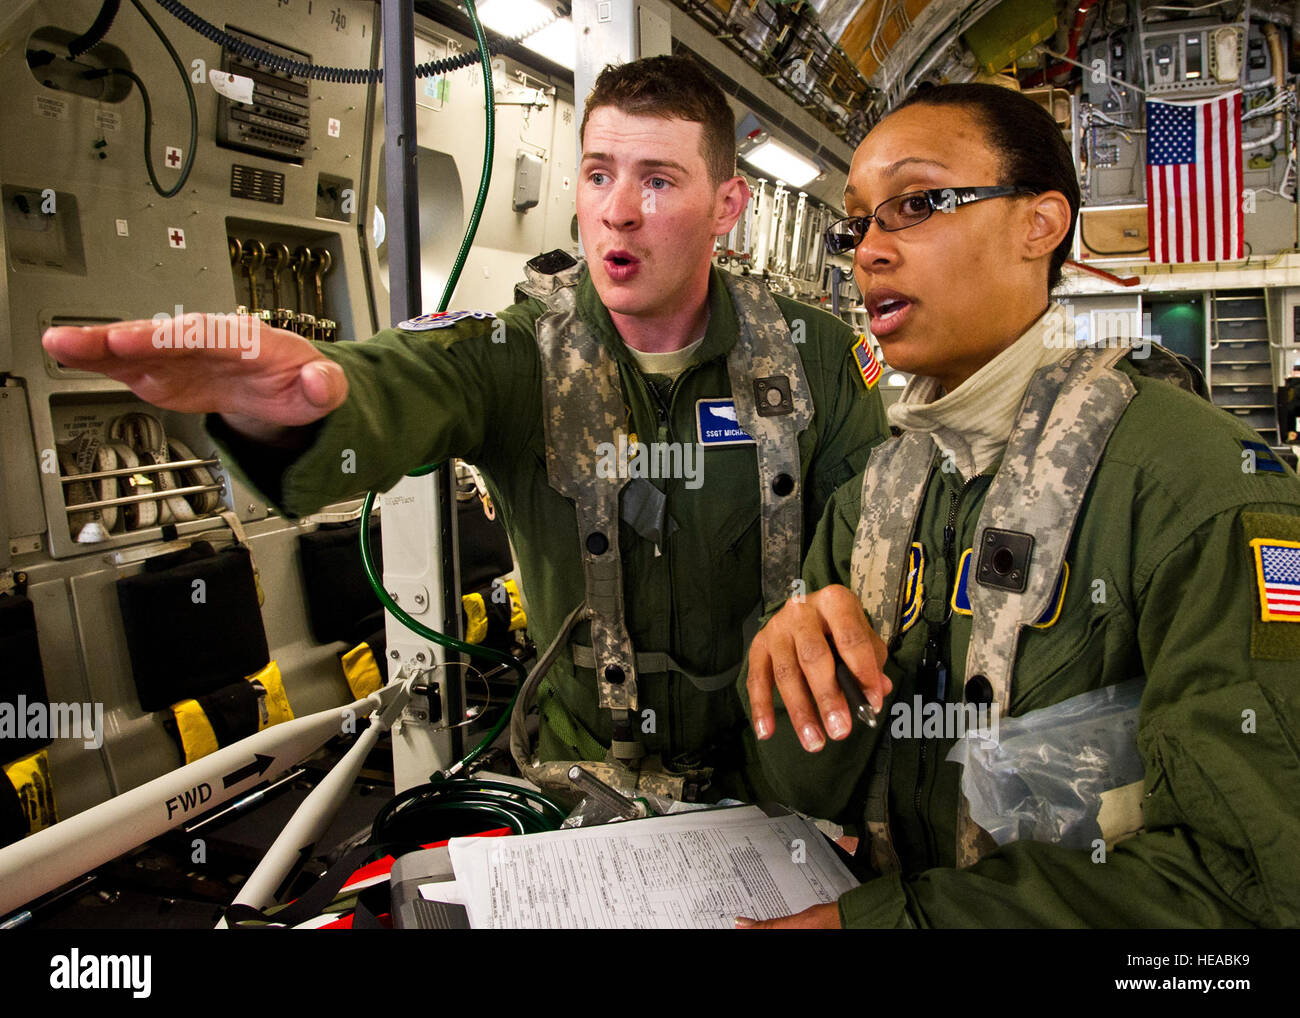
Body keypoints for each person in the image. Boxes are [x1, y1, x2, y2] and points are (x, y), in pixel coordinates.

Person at [41, 55, 889, 803]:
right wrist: (302, 406)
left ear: (727, 205)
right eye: (597, 175)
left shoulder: (816, 361)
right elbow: (408, 379)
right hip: (583, 771)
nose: (618, 212)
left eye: (658, 181)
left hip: (772, 771)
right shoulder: (520, 354)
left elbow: (871, 541)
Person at [737, 82, 1300, 927]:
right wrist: (788, 681)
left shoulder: (1204, 491)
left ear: (1041, 225)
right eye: (857, 223)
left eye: (918, 204)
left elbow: (1252, 881)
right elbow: (794, 788)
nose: (868, 253)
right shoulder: (874, 499)